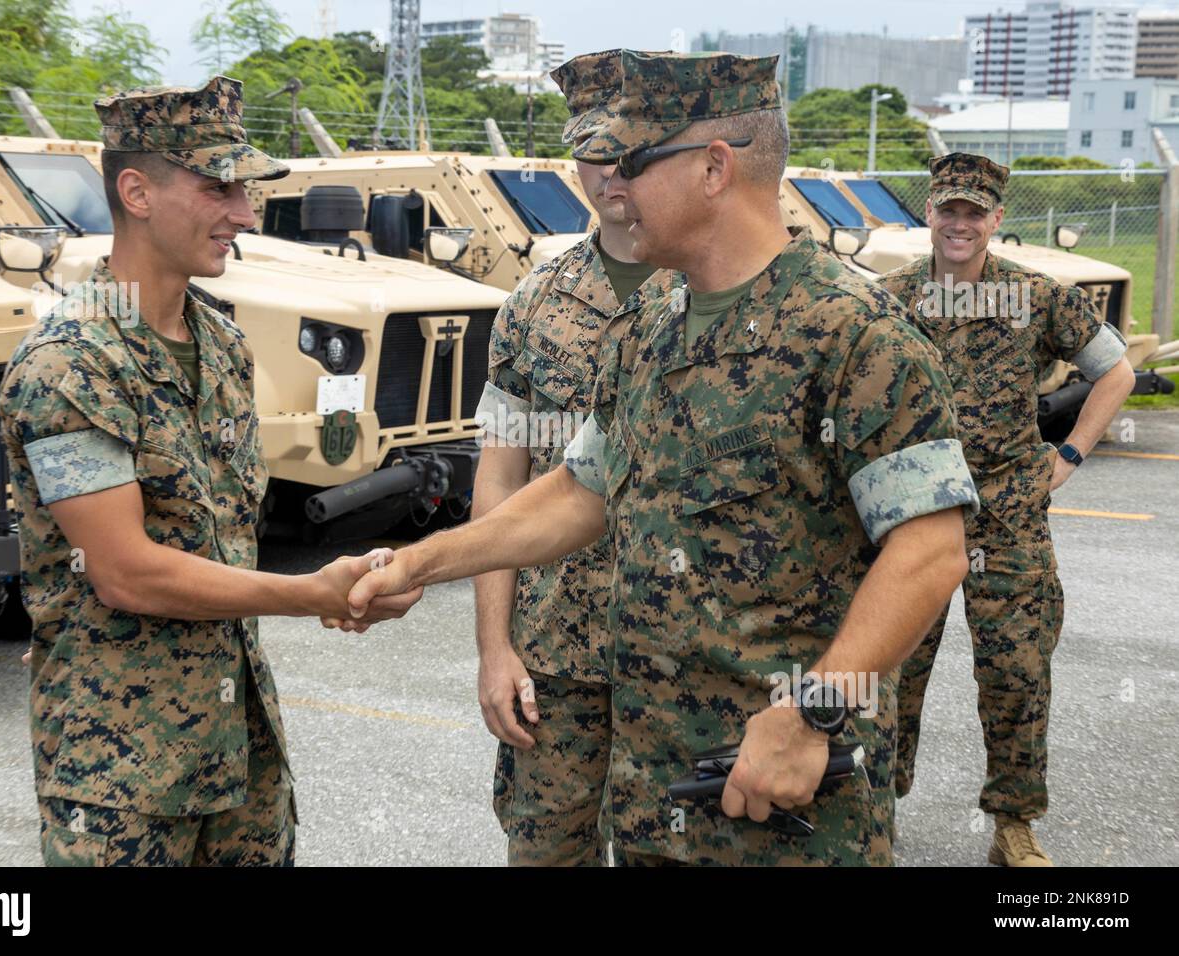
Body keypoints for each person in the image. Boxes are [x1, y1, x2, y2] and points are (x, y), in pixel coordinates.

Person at [331, 50, 980, 866]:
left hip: (778, 796)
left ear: (714, 168)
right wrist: (419, 563)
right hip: (656, 786)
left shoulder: (855, 333)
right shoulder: (651, 328)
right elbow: (575, 494)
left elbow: (931, 549)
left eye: (632, 163)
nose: (611, 187)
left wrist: (811, 711)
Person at [0, 76, 419, 866]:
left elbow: (223, 536)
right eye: (219, 187)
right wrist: (310, 594)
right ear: (137, 191)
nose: (244, 214)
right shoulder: (70, 366)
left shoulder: (222, 348)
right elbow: (127, 573)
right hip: (119, 775)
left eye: (246, 189)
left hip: (239, 752)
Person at [878, 152, 1135, 867]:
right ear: (928, 214)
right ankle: (875, 806)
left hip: (1009, 512)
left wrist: (1072, 454)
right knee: (891, 666)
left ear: (995, 219)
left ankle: (1013, 825)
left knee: (1017, 669)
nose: (959, 223)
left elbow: (1116, 371)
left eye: (973, 212)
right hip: (911, 513)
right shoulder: (887, 297)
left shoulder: (1035, 295)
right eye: (947, 209)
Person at [472, 49, 679, 866]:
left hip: (691, 660)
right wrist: (495, 646)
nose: (613, 175)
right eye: (596, 154)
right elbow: (499, 479)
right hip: (556, 657)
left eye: (632, 152)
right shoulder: (536, 306)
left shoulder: (727, 292)